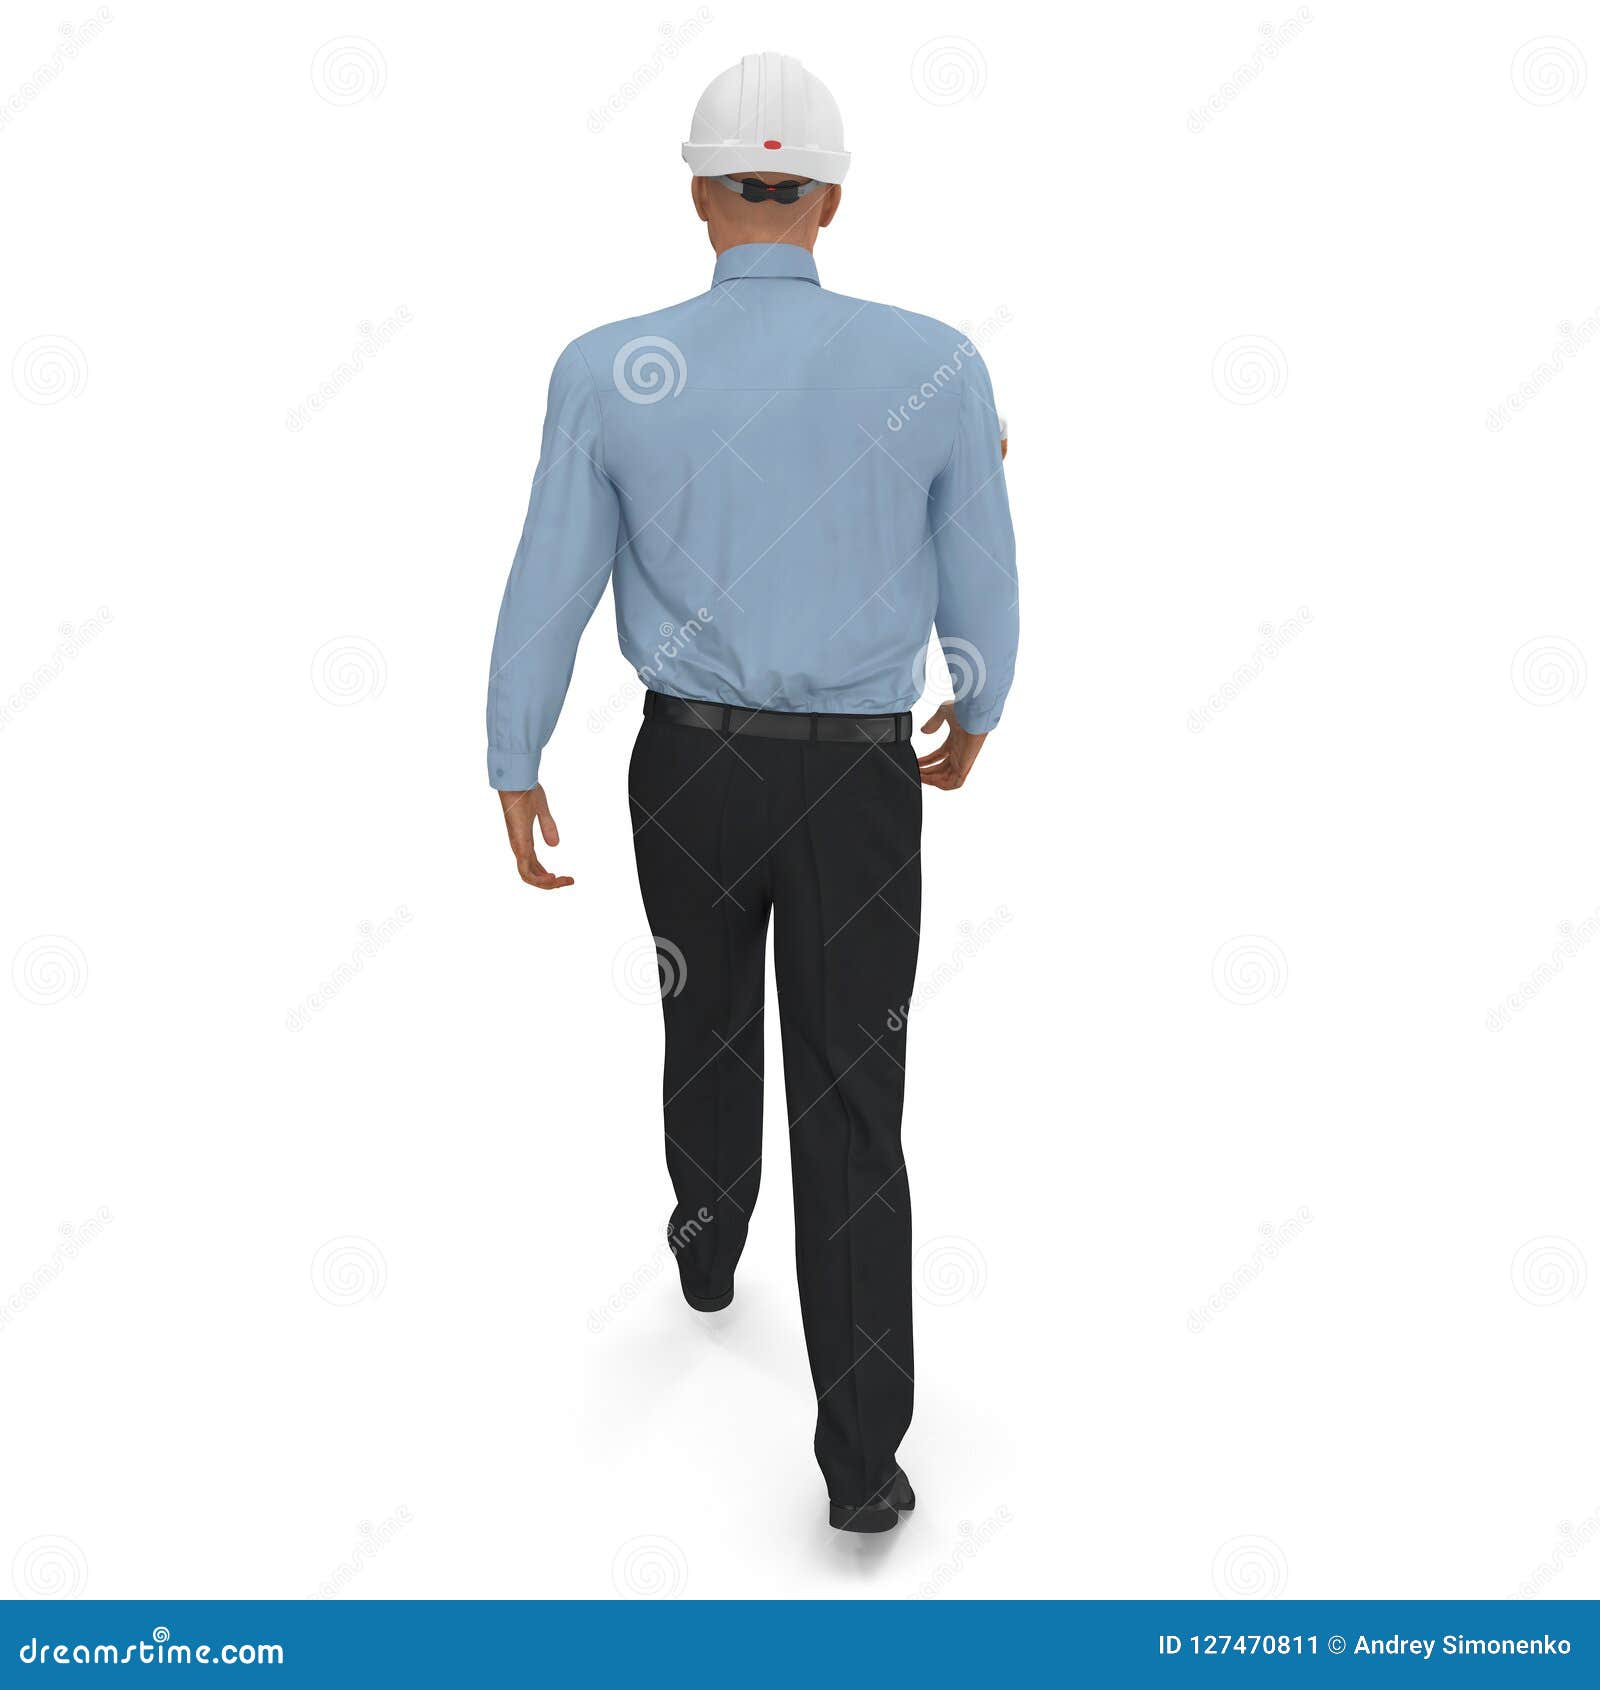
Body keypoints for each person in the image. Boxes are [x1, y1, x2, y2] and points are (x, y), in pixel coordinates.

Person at [486, 52, 1018, 1532]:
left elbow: (555, 576)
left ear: (700, 191)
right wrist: (977, 705)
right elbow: (982, 562)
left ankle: (710, 1241)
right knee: (854, 1087)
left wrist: (515, 750)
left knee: (700, 1007)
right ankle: (864, 1455)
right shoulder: (937, 364)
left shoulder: (607, 365)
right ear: (832, 197)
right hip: (857, 782)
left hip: (688, 764)